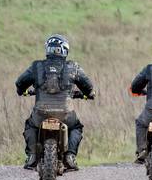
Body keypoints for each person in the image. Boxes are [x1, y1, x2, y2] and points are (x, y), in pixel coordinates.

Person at [15, 34, 94, 170]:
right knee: (76, 127)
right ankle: (70, 156)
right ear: (65, 50)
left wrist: (22, 91)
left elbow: (20, 83)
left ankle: (32, 156)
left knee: (30, 125)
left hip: (41, 114)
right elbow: (88, 86)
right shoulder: (73, 66)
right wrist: (88, 94)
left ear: (48, 49)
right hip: (66, 114)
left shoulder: (36, 66)